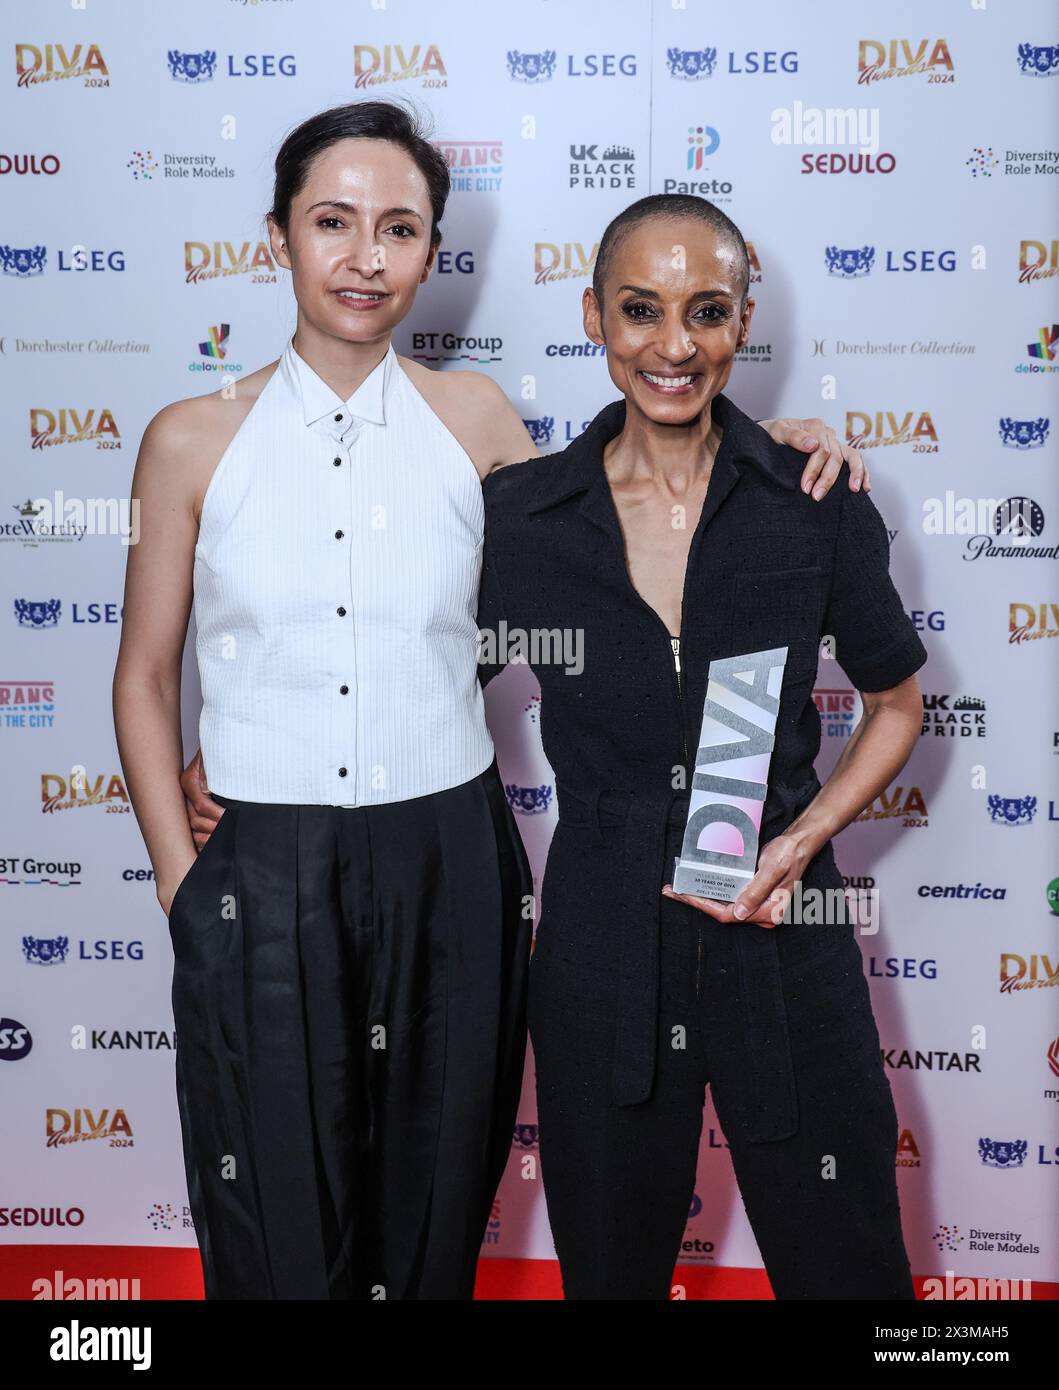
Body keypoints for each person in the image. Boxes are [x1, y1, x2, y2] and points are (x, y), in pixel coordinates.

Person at [126, 98, 867, 1300]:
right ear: (278, 237)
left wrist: (773, 459)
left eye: (401, 228)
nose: (367, 256)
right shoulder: (187, 439)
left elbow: (628, 511)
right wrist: (183, 876)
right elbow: (144, 674)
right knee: (271, 1213)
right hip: (259, 869)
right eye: (334, 222)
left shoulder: (480, 424)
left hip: (453, 860)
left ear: (432, 249)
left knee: (434, 1208)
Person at [475, 194, 927, 1299]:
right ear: (594, 315)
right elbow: (419, 695)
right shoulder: (523, 521)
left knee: (850, 1265)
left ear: (743, 320)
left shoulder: (809, 500)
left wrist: (804, 838)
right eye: (641, 309)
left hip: (785, 930)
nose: (674, 345)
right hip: (600, 945)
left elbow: (898, 702)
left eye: (707, 311)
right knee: (611, 1268)